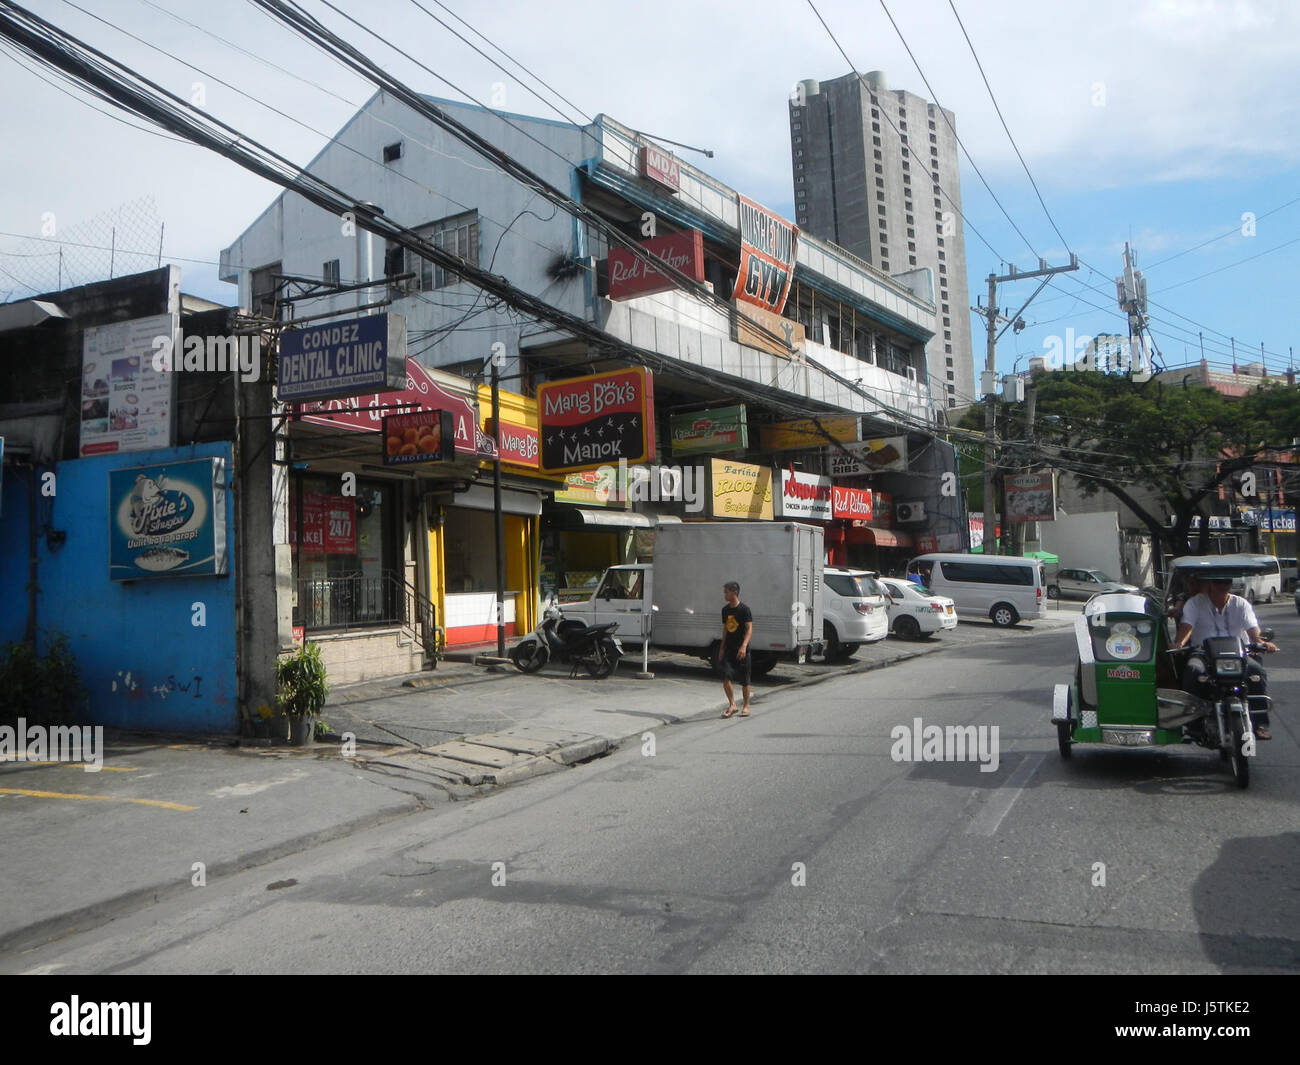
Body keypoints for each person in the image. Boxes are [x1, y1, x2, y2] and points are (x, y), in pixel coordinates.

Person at [1173, 576, 1279, 740]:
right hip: (1203, 653)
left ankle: (1260, 724)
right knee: (1193, 671)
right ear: (1210, 584)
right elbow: (1187, 626)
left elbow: (1253, 629)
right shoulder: (1195, 603)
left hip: (1238, 654)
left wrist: (1261, 642)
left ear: (1230, 584)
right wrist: (1179, 643)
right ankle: (1194, 723)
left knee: (1257, 672)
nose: (1222, 586)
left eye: (1226, 582)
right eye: (1218, 582)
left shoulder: (1241, 603)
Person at [718, 581, 753, 718]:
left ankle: (746, 706)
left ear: (734, 592)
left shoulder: (744, 609)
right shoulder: (725, 610)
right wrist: (721, 648)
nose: (724, 594)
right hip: (729, 649)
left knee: (745, 680)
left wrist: (744, 646)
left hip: (742, 650)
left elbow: (749, 629)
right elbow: (726, 629)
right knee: (725, 676)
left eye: (726, 592)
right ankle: (732, 704)